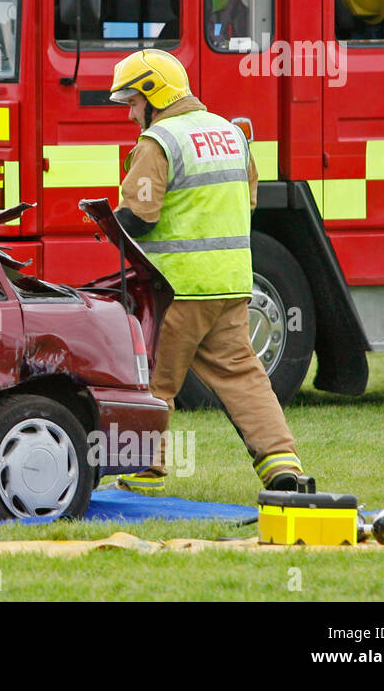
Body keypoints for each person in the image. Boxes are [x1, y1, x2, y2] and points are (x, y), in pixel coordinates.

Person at [106, 48, 304, 495]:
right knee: (243, 375)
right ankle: (282, 464)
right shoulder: (232, 134)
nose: (131, 114)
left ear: (153, 94)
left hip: (175, 289)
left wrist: (108, 222)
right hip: (232, 284)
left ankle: (144, 471)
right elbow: (247, 200)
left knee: (152, 376)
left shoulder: (160, 142)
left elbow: (139, 216)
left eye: (133, 103)